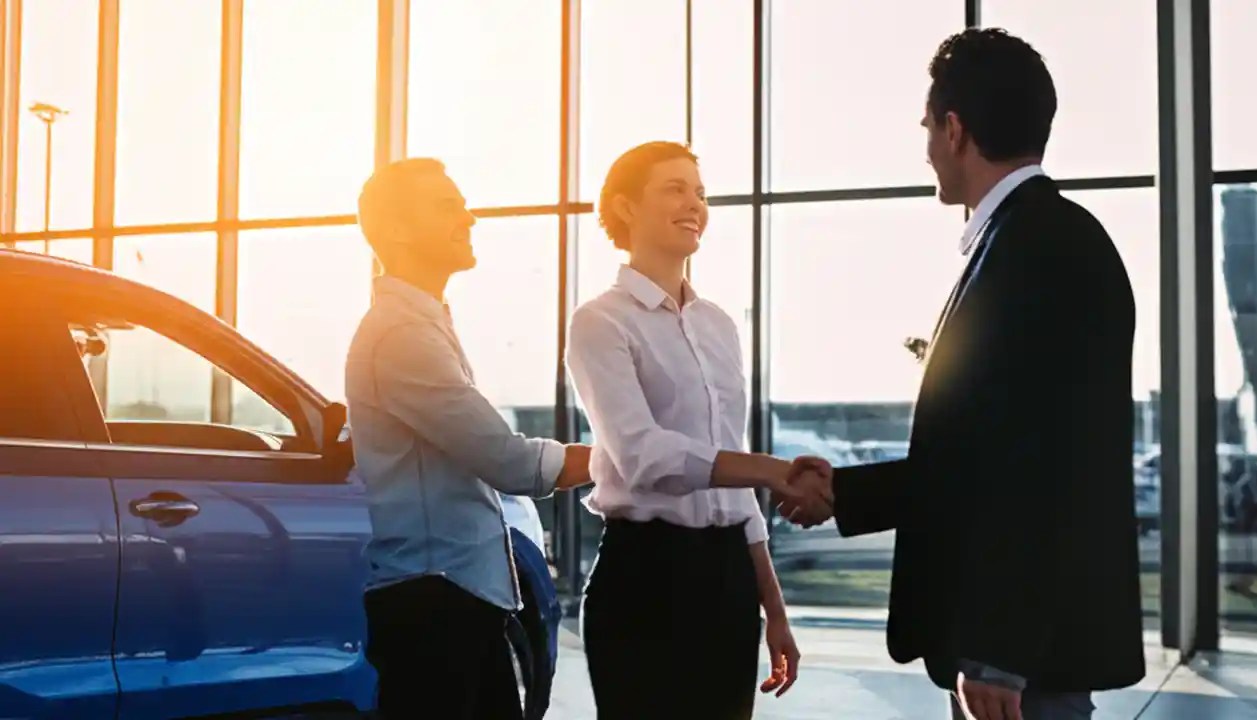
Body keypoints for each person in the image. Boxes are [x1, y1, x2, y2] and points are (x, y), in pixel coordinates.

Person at [779, 29, 1145, 720]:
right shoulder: (1028, 240)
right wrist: (844, 493)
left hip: (1021, 662)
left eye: (926, 126)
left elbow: (1050, 466)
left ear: (954, 129)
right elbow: (980, 454)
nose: (924, 147)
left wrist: (999, 651)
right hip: (1010, 653)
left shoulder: (1043, 249)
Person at [566, 141, 830, 719]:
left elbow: (732, 486)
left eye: (701, 192)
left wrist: (774, 611)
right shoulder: (599, 323)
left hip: (727, 580)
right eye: (674, 188)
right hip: (644, 576)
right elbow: (643, 456)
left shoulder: (718, 326)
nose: (695, 204)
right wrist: (776, 471)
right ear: (625, 207)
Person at [345, 157, 594, 719]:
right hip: (435, 608)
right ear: (399, 230)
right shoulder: (403, 335)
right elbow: (508, 462)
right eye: (448, 206)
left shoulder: (424, 323)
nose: (470, 217)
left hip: (456, 602)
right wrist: (628, 459)